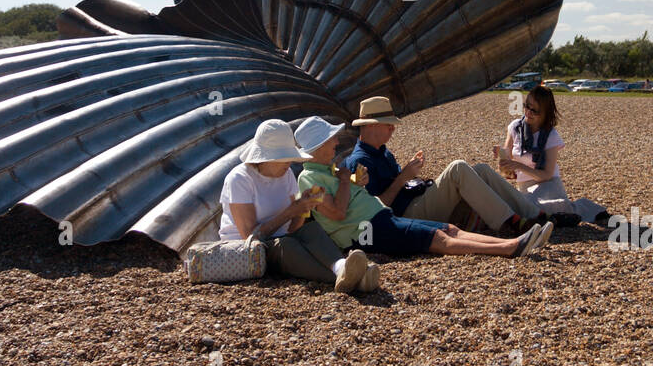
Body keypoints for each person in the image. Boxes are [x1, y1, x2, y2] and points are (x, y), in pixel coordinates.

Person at [295, 115, 549, 260]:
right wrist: (345, 181)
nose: (337, 142)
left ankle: (517, 237)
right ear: (316, 148)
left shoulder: (329, 170)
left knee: (450, 229)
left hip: (377, 219)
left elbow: (345, 201)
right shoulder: (311, 178)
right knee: (437, 239)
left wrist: (350, 183)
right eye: (331, 140)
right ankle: (510, 247)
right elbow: (337, 213)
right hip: (364, 230)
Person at [344, 96, 550, 240]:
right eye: (387, 124)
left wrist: (409, 175)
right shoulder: (360, 162)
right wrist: (403, 177)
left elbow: (399, 187)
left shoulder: (383, 152)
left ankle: (535, 214)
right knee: (457, 168)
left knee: (482, 170)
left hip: (415, 201)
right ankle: (510, 222)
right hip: (405, 215)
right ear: (370, 125)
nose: (393, 127)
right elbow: (374, 210)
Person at [218, 119, 371, 292]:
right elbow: (250, 237)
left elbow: (292, 228)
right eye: (284, 158)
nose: (289, 163)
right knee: (287, 246)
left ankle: (341, 267)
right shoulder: (240, 179)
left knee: (311, 229)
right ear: (265, 159)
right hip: (247, 251)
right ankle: (350, 279)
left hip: (280, 239)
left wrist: (303, 208)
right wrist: (292, 211)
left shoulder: (286, 174)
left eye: (290, 158)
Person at [496, 85, 612, 228]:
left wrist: (519, 166)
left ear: (545, 113)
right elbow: (508, 154)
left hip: (548, 185)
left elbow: (546, 175)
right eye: (527, 106)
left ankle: (584, 208)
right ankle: (558, 214)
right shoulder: (515, 127)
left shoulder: (551, 135)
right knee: (522, 206)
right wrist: (502, 158)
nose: (528, 112)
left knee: (528, 208)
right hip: (525, 187)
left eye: (534, 110)